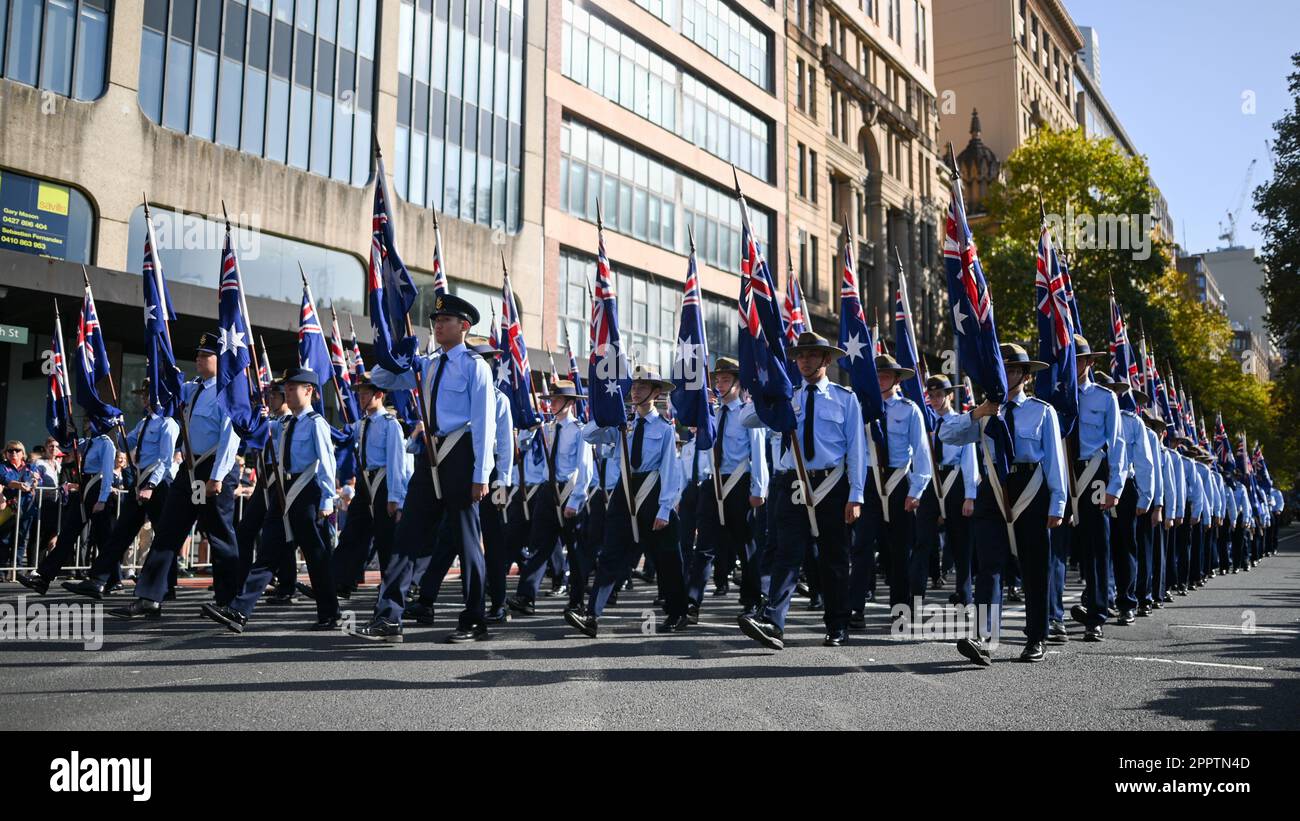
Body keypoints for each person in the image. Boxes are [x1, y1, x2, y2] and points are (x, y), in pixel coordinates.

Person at [346, 292, 495, 643]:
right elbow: (382, 378)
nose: (438, 325)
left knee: (467, 542)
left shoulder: (475, 367)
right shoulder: (427, 365)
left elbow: (485, 424)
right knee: (407, 536)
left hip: (459, 456)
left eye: (445, 320)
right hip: (430, 458)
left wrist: (481, 475)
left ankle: (475, 619)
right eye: (435, 320)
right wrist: (398, 354)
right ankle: (389, 617)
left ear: (464, 326)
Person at [939, 343, 1067, 666]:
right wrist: (977, 412)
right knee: (989, 566)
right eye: (1002, 369)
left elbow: (1054, 459)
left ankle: (1036, 636)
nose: (1006, 375)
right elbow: (947, 435)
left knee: (1035, 565)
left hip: (1030, 487)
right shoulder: (987, 411)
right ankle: (984, 637)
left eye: (1012, 370)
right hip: (993, 488)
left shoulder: (1041, 411)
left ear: (1025, 374)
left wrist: (1058, 502)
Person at [737, 332, 865, 650]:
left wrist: (856, 495)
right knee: (787, 555)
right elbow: (745, 419)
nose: (804, 360)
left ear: (826, 360)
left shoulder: (844, 399)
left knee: (834, 559)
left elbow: (857, 449)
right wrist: (768, 397)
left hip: (831, 484)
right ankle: (773, 622)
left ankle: (837, 625)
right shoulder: (787, 396)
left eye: (811, 355)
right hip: (791, 482)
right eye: (800, 356)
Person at [108, 332, 242, 620]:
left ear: (221, 359)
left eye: (205, 355)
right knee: (167, 531)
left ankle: (229, 602)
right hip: (189, 469)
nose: (198, 358)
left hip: (213, 469)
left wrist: (217, 477)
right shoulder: (192, 388)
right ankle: (149, 596)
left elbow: (230, 437)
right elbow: (167, 392)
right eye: (198, 354)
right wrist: (159, 361)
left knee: (219, 536)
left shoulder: (227, 391)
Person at [202, 367, 339, 632]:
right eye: (285, 388)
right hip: (282, 492)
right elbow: (253, 430)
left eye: (292, 388)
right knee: (267, 552)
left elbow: (327, 463)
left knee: (315, 555)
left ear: (308, 390)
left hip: (306, 491)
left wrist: (327, 500)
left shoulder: (316, 423)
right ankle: (240, 611)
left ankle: (330, 613)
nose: (287, 392)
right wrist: (251, 409)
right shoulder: (284, 424)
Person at [565, 366, 685, 637]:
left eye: (642, 387)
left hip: (652, 492)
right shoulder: (624, 424)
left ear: (656, 392)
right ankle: (591, 615)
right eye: (633, 386)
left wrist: (665, 507)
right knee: (610, 554)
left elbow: (669, 469)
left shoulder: (665, 429)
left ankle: (678, 613)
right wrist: (607, 414)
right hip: (625, 489)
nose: (635, 391)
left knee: (666, 559)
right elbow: (589, 435)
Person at [64, 379, 180, 601]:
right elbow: (125, 443)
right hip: (140, 482)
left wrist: (151, 485)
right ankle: (98, 580)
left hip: (157, 485)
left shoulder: (168, 424)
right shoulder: (144, 423)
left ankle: (167, 585)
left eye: (147, 394)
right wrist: (116, 425)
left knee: (164, 536)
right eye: (143, 394)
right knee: (121, 532)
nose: (143, 398)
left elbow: (165, 461)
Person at [686, 357, 767, 622]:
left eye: (724, 380)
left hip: (739, 482)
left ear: (737, 382)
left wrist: (759, 489)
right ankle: (691, 603)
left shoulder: (747, 412)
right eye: (717, 380)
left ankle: (752, 600)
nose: (719, 385)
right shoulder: (712, 414)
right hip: (713, 483)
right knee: (704, 546)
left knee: (745, 546)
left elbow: (758, 453)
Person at [506, 380, 592, 615]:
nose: (551, 404)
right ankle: (526, 596)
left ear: (570, 403)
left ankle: (577, 601)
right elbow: (529, 454)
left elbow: (585, 469)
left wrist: (575, 501)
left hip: (569, 492)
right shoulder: (547, 429)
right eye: (550, 399)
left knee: (575, 551)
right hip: (546, 491)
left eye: (555, 400)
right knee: (538, 545)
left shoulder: (580, 431)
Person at [330, 372, 409, 597]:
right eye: (360, 394)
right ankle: (340, 581)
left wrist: (395, 497)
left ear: (379, 395)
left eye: (366, 394)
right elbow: (342, 436)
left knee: (386, 538)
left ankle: (392, 589)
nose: (361, 398)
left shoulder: (389, 424)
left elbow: (396, 463)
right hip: (365, 482)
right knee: (352, 532)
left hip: (383, 482)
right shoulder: (362, 424)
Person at [1064, 350, 1124, 642]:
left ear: (1090, 363)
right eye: (1069, 358)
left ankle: (1096, 614)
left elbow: (1117, 443)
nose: (1073, 364)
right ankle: (1050, 615)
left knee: (1097, 547)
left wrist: (1115, 486)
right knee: (1058, 547)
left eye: (1078, 359)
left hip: (1093, 472)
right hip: (1063, 471)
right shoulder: (1057, 394)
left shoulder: (1104, 397)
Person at [18, 419, 117, 594]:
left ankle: (112, 579)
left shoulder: (106, 444)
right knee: (68, 533)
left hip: (98, 488)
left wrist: (102, 499)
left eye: (90, 420)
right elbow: (66, 447)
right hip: (85, 486)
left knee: (104, 538)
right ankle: (43, 578)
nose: (87, 423)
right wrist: (68, 431)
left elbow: (108, 473)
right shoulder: (88, 442)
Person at [872, 353, 932, 625]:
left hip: (899, 482)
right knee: (862, 548)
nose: (880, 380)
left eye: (885, 375)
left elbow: (921, 451)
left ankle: (900, 609)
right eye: (877, 375)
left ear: (897, 380)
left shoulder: (909, 409)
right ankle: (855, 609)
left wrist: (916, 490)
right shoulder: (865, 408)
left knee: (900, 551)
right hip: (871, 480)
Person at [924, 377, 977, 609]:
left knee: (960, 542)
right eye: (931, 395)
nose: (935, 400)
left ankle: (964, 594)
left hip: (954, 479)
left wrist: (970, 494)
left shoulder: (960, 421)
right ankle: (916, 594)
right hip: (931, 480)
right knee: (923, 541)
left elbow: (969, 459)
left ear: (950, 396)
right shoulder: (925, 421)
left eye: (939, 395)